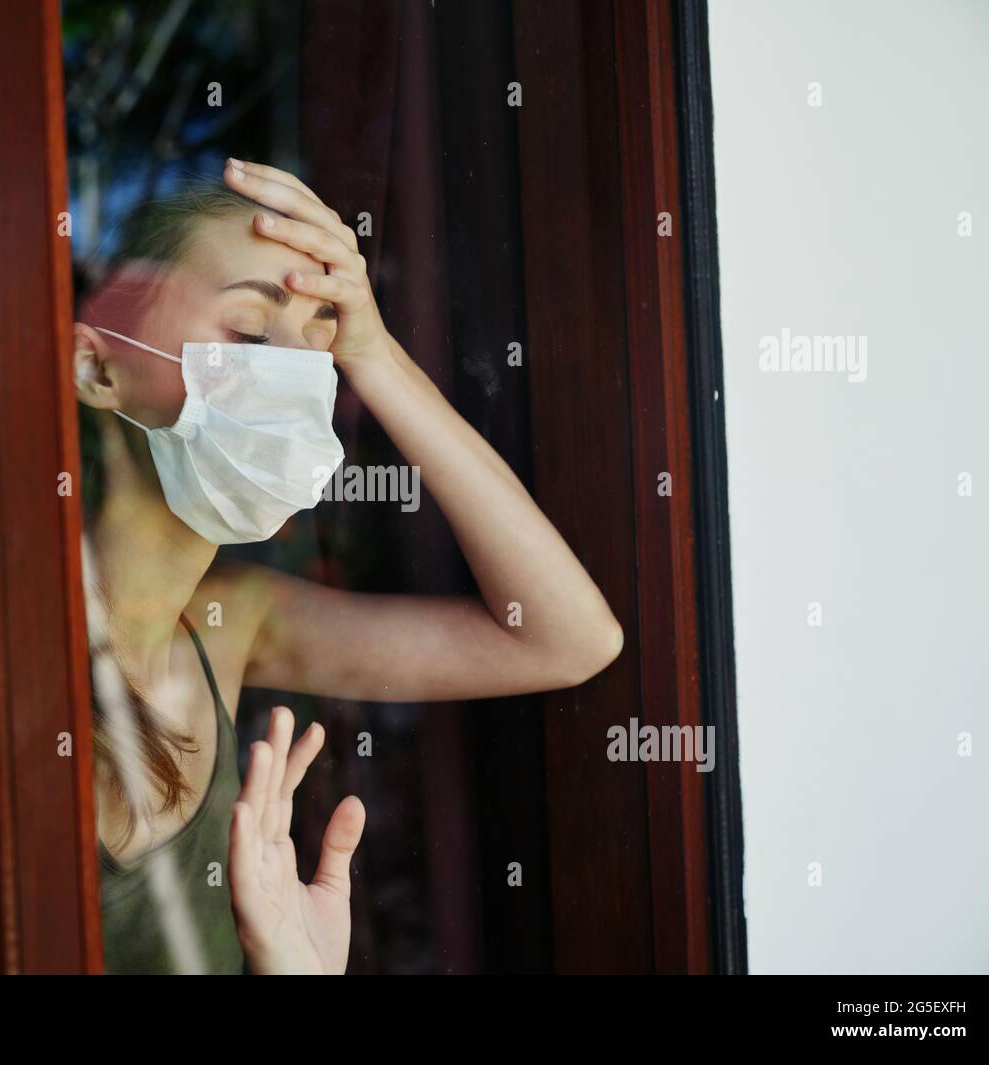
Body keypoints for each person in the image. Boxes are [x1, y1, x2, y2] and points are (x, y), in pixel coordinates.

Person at [74, 159, 624, 975]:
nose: (289, 380)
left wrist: (375, 352)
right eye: (251, 334)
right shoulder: (16, 651)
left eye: (317, 345)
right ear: (98, 366)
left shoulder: (235, 623)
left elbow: (566, 639)